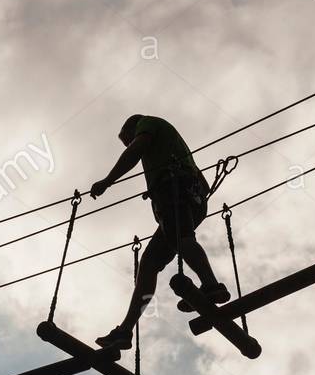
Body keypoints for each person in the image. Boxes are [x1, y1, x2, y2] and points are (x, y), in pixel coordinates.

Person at [90, 114, 229, 349]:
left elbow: (135, 151)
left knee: (182, 238)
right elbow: (203, 186)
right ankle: (125, 331)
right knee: (149, 264)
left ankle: (211, 286)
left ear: (133, 127)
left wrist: (107, 181)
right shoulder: (174, 143)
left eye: (128, 139)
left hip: (174, 189)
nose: (129, 144)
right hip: (189, 197)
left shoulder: (148, 123)